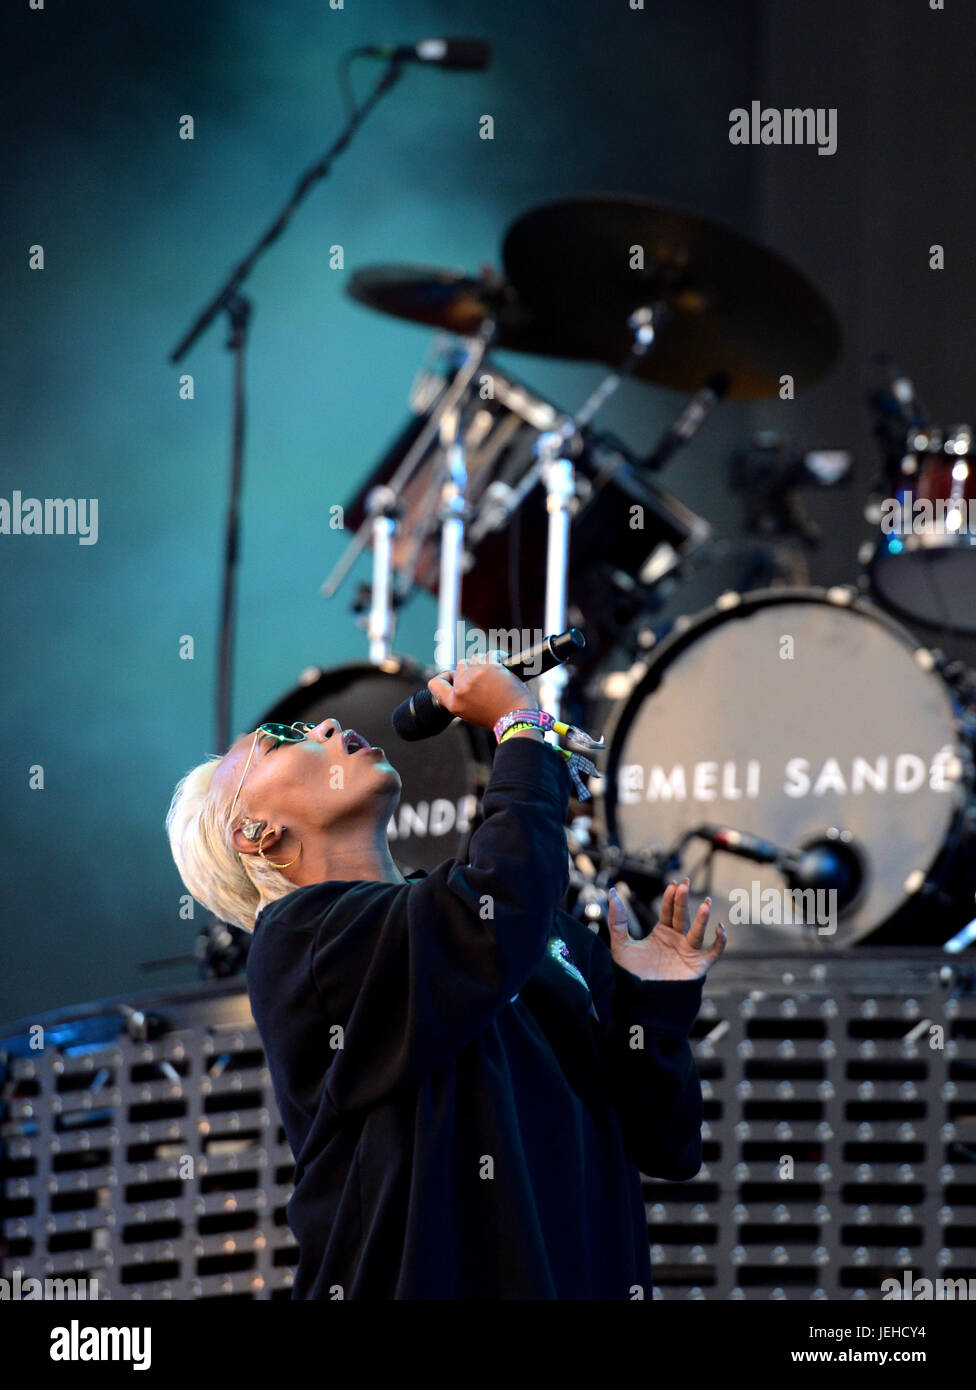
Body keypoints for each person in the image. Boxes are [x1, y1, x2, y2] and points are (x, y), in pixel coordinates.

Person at [166, 654, 726, 1299]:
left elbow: (666, 1141)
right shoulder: (304, 942)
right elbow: (494, 905)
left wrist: (653, 1004)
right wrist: (521, 727)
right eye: (279, 741)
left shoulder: (517, 930)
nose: (320, 725)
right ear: (256, 832)